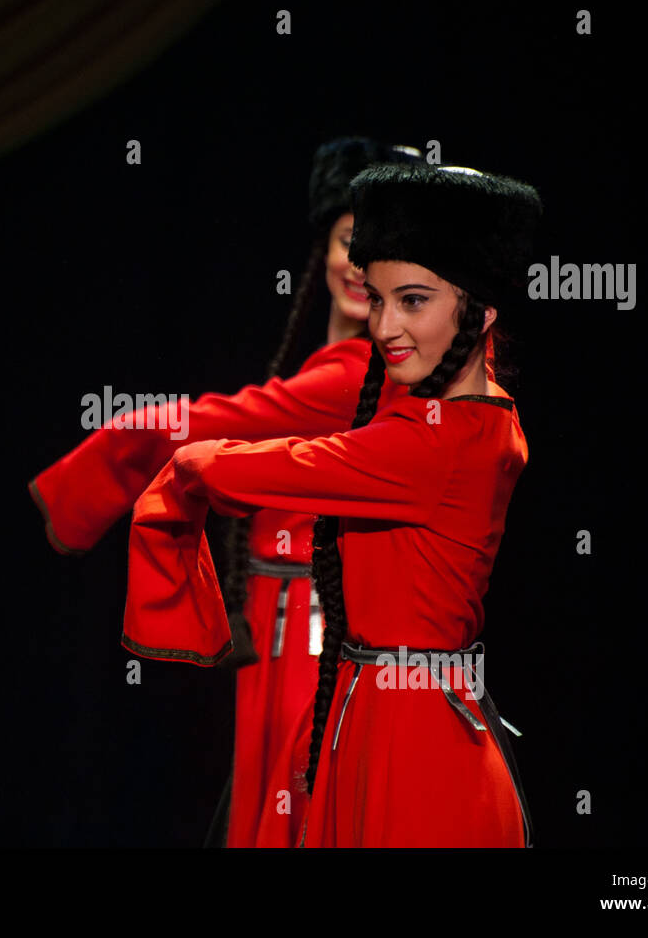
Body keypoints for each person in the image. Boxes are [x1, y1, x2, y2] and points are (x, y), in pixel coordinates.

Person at [122, 161, 540, 847]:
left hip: (416, 747)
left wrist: (184, 473)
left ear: (479, 308)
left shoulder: (446, 443)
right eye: (376, 300)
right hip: (376, 715)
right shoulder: (475, 421)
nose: (385, 326)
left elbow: (268, 465)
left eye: (412, 300)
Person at [30, 138, 421, 846]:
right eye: (345, 243)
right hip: (278, 626)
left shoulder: (362, 373)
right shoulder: (334, 364)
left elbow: (222, 423)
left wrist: (109, 454)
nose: (356, 267)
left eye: (377, 253)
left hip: (320, 635)